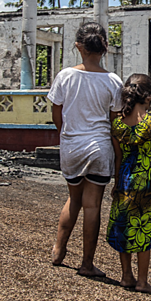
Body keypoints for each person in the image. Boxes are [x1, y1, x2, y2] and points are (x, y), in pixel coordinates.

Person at [47, 22, 123, 277]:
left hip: (71, 145)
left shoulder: (65, 76)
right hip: (100, 147)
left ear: (78, 46)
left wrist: (66, 135)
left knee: (74, 199)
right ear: (105, 48)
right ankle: (87, 264)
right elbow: (115, 122)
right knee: (92, 206)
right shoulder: (113, 81)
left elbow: (57, 112)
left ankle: (59, 249)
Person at [106, 73, 151, 293]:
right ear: (149, 96)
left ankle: (126, 276)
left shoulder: (117, 124)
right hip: (149, 182)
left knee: (124, 226)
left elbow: (118, 158)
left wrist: (116, 184)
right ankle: (142, 281)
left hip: (125, 181)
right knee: (144, 231)